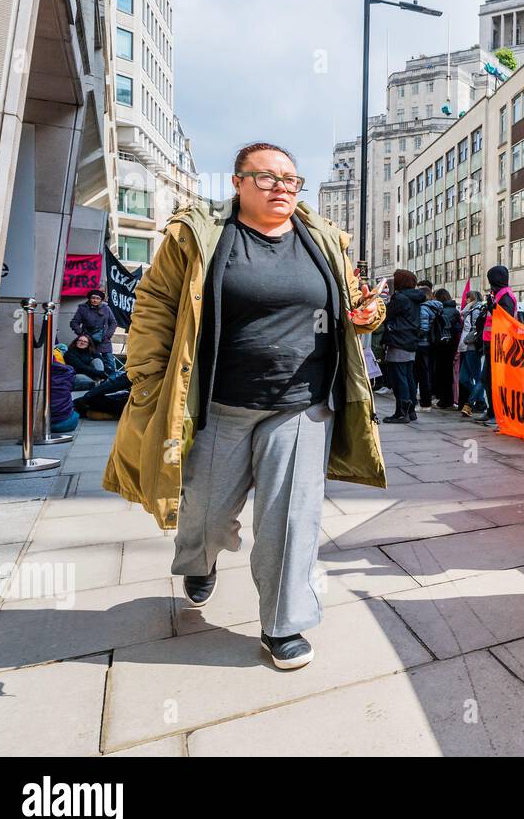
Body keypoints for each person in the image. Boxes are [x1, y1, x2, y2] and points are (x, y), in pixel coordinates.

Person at [102, 141, 386, 671]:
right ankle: (200, 558)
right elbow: (158, 302)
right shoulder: (201, 235)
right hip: (218, 402)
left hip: (301, 405)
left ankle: (284, 623)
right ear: (237, 182)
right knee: (204, 512)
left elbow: (354, 301)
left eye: (291, 179)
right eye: (268, 177)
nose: (283, 187)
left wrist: (370, 311)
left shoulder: (321, 238)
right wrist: (146, 376)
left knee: (291, 519)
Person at [470, 266, 517, 428]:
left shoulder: (505, 297)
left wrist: (492, 308)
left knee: (493, 379)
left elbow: (506, 319)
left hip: (499, 344)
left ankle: (497, 414)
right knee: (487, 379)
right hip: (491, 343)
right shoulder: (498, 295)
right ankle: (491, 412)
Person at [382, 269, 426, 423]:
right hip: (410, 340)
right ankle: (411, 410)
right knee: (408, 376)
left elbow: (386, 314)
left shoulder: (400, 298)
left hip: (398, 339)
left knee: (399, 378)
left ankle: (402, 412)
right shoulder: (414, 298)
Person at [70, 290, 119, 376]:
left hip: (104, 340)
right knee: (93, 362)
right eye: (93, 298)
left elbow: (113, 322)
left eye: (97, 298)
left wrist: (107, 335)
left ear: (101, 300)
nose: (95, 300)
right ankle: (97, 381)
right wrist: (82, 334)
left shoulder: (106, 308)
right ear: (89, 298)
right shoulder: (83, 308)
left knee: (109, 362)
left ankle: (112, 382)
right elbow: (74, 322)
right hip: (89, 341)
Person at [430, 288, 461, 409]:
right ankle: (447, 398)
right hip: (451, 343)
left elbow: (441, 328)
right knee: (448, 372)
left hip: (444, 344)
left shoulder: (444, 311)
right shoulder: (453, 310)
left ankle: (445, 400)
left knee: (443, 372)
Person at [457, 290, 487, 417]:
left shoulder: (476, 309)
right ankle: (479, 400)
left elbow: (475, 329)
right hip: (467, 346)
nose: (466, 300)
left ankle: (472, 403)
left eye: (468, 298)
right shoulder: (470, 309)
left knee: (478, 377)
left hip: (472, 345)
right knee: (464, 378)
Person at [415, 280, 440, 410]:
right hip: (431, 343)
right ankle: (426, 401)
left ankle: (425, 403)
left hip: (422, 343)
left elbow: (423, 327)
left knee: (422, 375)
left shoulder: (423, 308)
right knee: (427, 373)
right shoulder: (435, 307)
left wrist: (415, 335)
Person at [49, 346, 80, 433]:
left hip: (44, 422)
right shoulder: (68, 367)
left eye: (85, 342)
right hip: (65, 422)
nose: (82, 343)